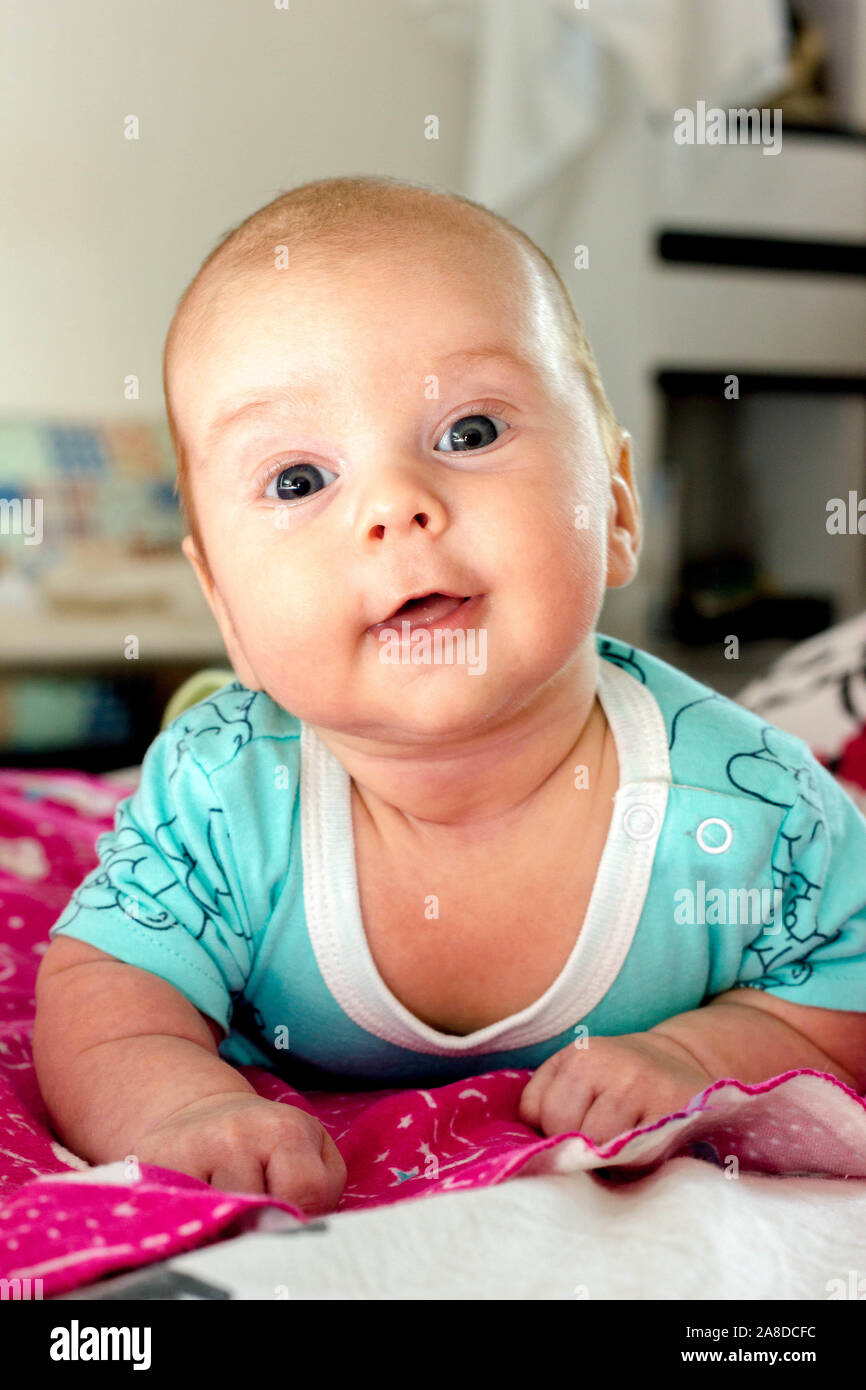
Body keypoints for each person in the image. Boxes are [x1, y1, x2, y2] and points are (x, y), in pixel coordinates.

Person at [33, 176, 866, 1217]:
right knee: (203, 755)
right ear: (227, 607)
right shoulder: (221, 799)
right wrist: (179, 1108)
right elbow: (102, 997)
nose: (396, 506)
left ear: (612, 509)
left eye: (468, 431)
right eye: (298, 480)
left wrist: (699, 1047)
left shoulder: (750, 812)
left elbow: (842, 983)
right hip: (247, 738)